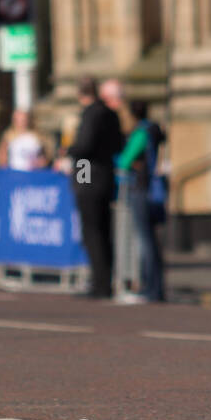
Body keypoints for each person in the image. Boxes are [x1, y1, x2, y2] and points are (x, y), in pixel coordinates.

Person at [66, 76, 123, 298]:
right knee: (104, 230)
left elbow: (84, 146)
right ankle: (105, 280)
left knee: (92, 231)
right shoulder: (110, 114)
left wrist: (69, 150)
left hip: (88, 176)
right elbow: (118, 143)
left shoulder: (90, 114)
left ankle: (100, 284)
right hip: (106, 175)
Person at [115, 99, 166, 302]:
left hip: (140, 188)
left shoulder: (141, 133)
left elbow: (124, 161)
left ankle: (150, 287)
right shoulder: (155, 130)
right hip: (154, 190)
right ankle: (156, 286)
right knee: (152, 240)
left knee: (145, 240)